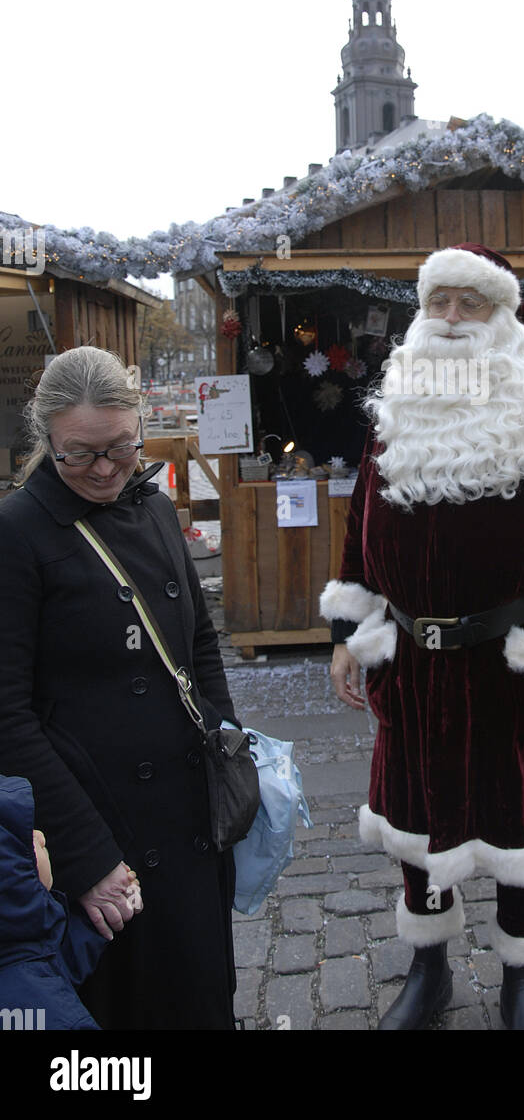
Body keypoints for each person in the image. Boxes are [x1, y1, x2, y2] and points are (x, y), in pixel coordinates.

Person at [323, 244, 524, 1030]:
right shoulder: (396, 397)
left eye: (473, 303)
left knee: (519, 817)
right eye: (441, 303)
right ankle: (429, 970)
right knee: (415, 817)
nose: (453, 319)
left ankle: (521, 979)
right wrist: (345, 627)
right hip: (411, 660)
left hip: (512, 656)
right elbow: (361, 522)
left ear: (504, 314)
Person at [0, 347, 242, 1029]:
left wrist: (230, 746)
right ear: (46, 440)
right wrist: (87, 855)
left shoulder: (156, 507)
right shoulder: (18, 534)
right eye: (80, 454)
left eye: (120, 449)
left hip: (189, 816)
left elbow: (198, 643)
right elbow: (6, 716)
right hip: (101, 833)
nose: (105, 469)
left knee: (201, 995)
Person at [0, 774, 128, 1030]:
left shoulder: (16, 944)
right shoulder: (36, 1010)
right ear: (13, 879)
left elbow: (57, 958)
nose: (40, 836)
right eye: (26, 839)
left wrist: (93, 926)